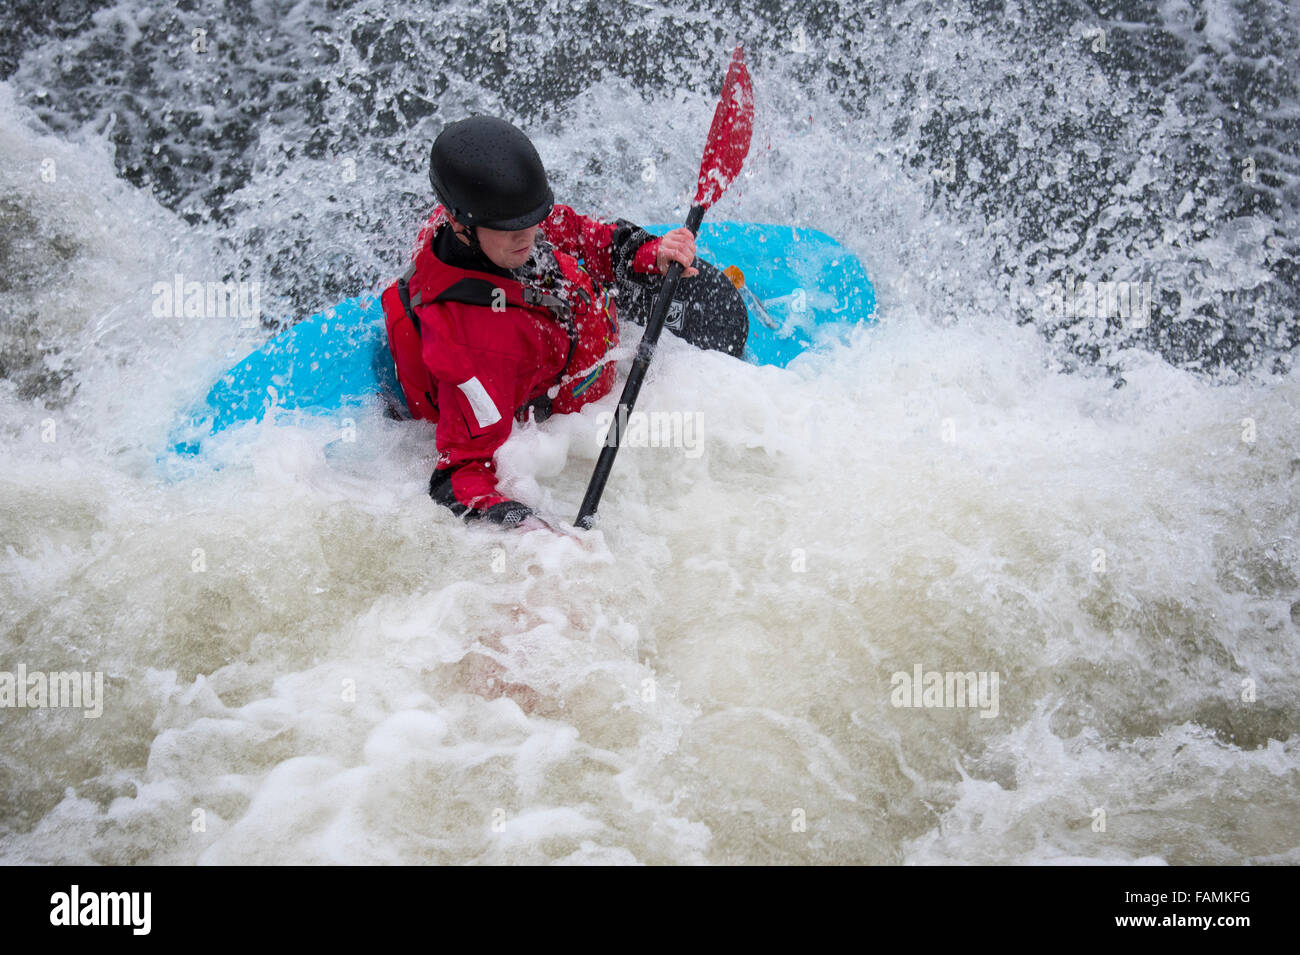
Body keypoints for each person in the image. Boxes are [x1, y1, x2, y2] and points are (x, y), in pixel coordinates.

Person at [380, 116, 703, 529]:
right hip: (571, 419)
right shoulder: (470, 347)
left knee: (696, 297)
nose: (527, 235)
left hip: (581, 325)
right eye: (510, 228)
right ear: (458, 223)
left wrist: (647, 254)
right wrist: (534, 532)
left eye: (531, 219)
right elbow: (460, 477)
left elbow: (575, 232)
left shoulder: (501, 222)